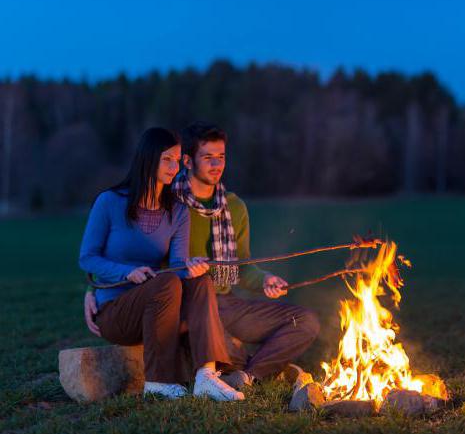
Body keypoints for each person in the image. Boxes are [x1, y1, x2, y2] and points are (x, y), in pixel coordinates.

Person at [84, 122, 320, 389]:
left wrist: (265, 279)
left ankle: (248, 376)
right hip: (185, 303)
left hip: (225, 301)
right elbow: (131, 254)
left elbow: (241, 265)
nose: (216, 165)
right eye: (207, 157)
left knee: (305, 322)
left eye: (221, 157)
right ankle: (239, 369)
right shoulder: (168, 199)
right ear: (188, 161)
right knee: (211, 332)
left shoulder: (233, 206)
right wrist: (93, 289)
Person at [79, 127, 243, 401]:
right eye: (167, 159)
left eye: (177, 160)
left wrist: (190, 268)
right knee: (165, 281)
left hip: (158, 311)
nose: (174, 167)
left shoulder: (177, 211)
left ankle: (206, 375)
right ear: (148, 158)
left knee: (200, 280)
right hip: (115, 312)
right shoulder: (109, 202)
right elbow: (87, 257)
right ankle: (158, 381)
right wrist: (126, 272)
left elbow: (177, 266)